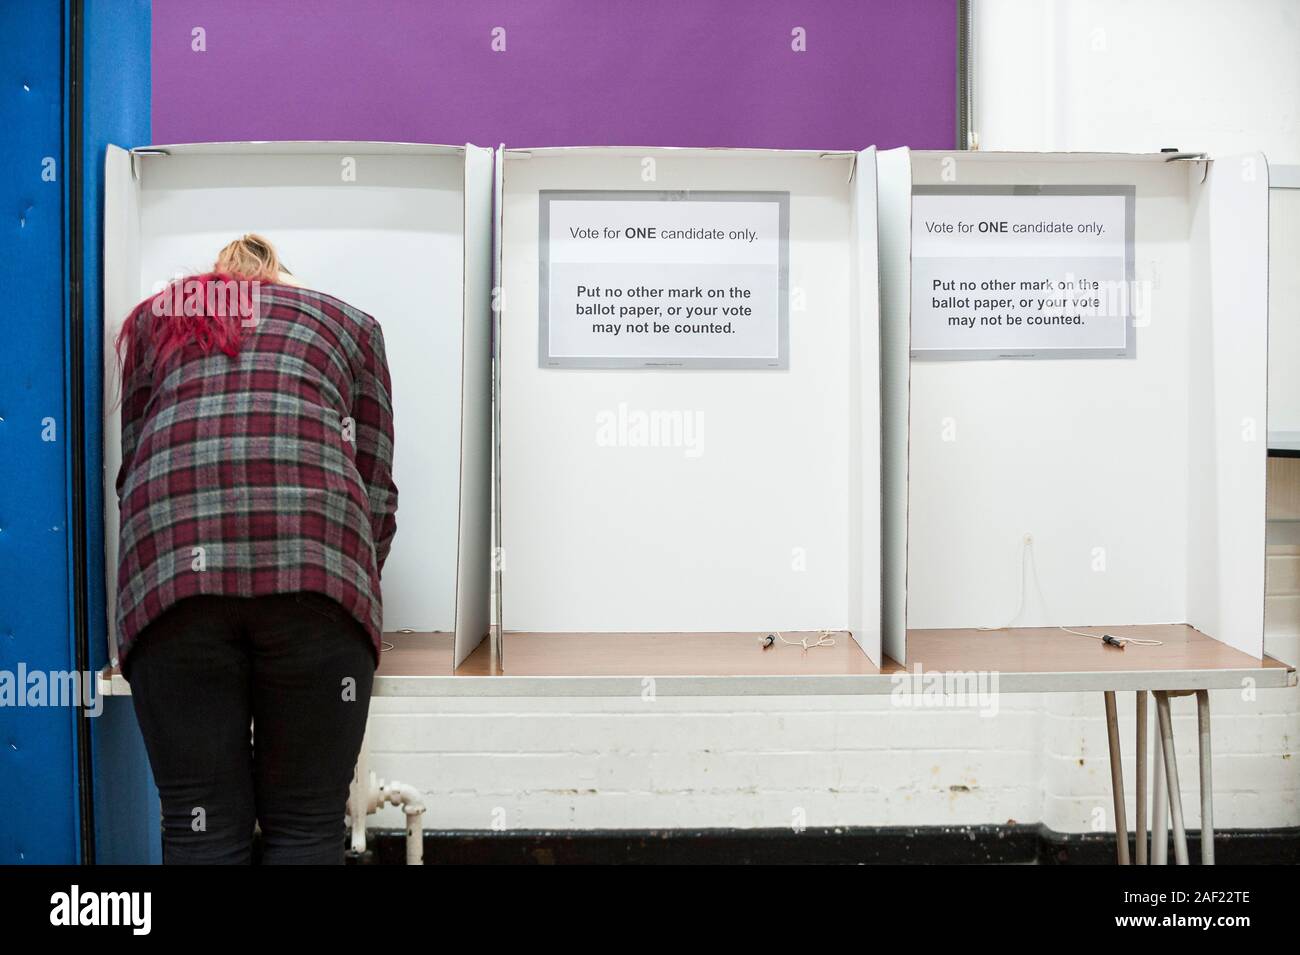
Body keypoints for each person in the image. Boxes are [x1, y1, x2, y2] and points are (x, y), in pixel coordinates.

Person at [113, 234, 398, 864]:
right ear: (285, 282)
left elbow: (132, 468)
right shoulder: (349, 323)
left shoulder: (157, 322)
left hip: (170, 584)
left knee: (200, 825)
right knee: (306, 823)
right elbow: (375, 486)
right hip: (316, 578)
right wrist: (351, 590)